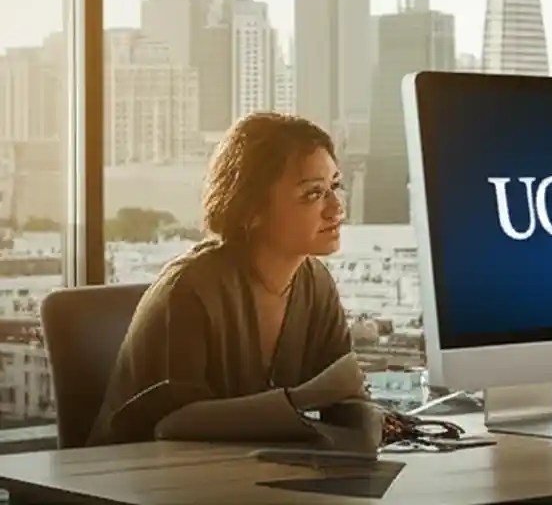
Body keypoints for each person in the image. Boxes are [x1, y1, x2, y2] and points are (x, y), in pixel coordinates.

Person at [88, 113, 381, 449]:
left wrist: (368, 418)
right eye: (313, 194)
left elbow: (341, 394)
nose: (336, 208)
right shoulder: (189, 288)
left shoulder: (316, 284)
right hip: (134, 485)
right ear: (251, 208)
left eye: (335, 186)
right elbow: (173, 425)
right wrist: (302, 397)